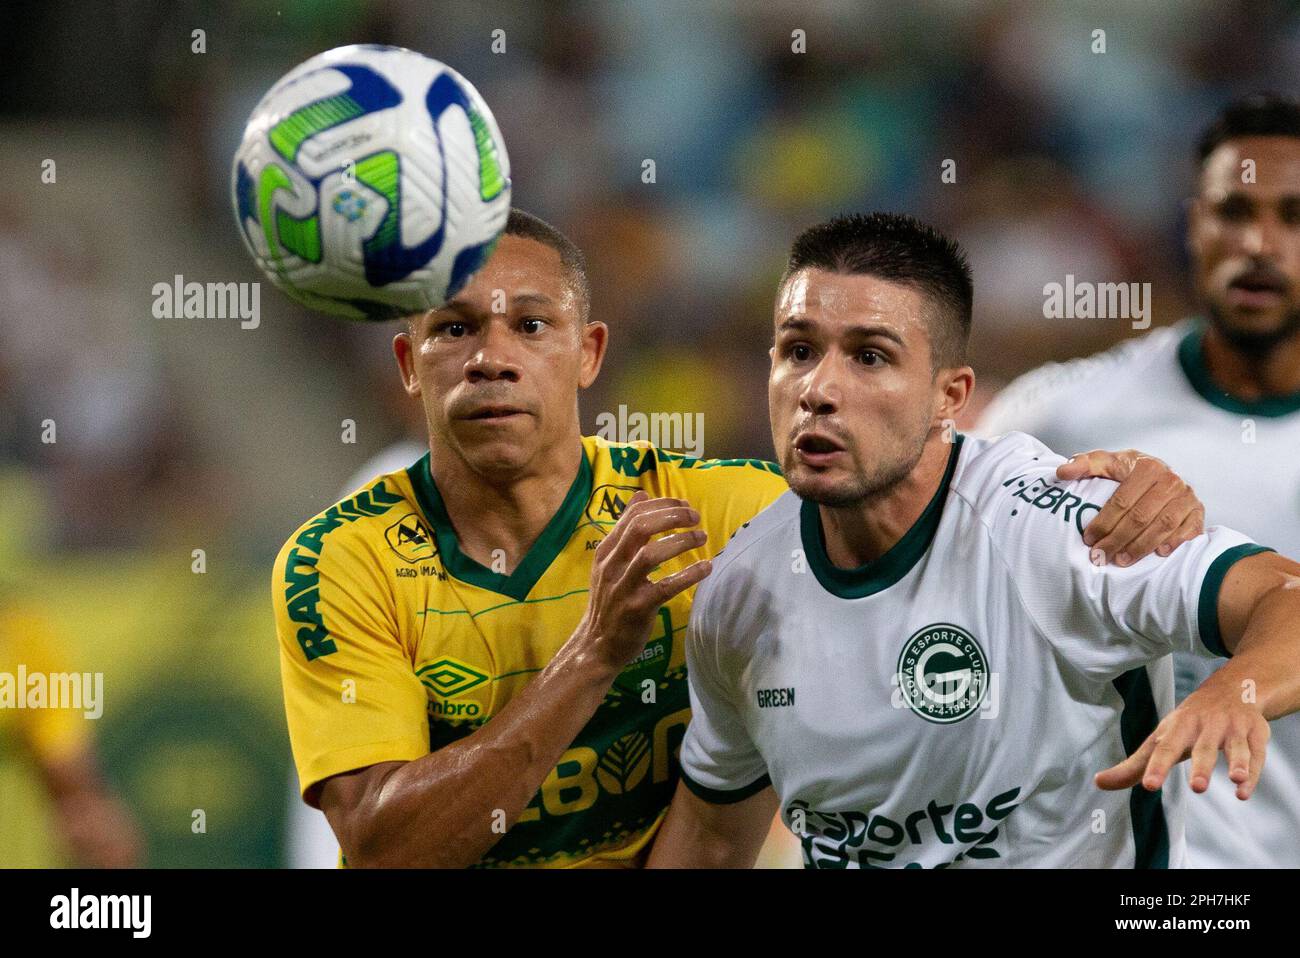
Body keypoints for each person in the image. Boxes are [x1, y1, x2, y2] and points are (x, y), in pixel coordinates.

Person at [272, 209, 1207, 868]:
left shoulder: (729, 517)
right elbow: (383, 849)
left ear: (589, 352)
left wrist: (1130, 493)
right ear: (407, 362)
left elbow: (921, 483)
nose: (491, 358)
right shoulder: (342, 560)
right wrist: (595, 655)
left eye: (530, 324)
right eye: (453, 329)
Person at [646, 212, 1300, 869]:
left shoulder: (1061, 530)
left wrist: (1232, 690)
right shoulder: (738, 591)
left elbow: (1286, 597)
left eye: (869, 356)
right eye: (799, 351)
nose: (818, 389)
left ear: (948, 396)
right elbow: (712, 834)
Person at [977, 93, 1300, 868]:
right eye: (1233, 210)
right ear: (1193, 226)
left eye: (1293, 215)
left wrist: (1239, 685)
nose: (1258, 243)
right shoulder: (1061, 419)